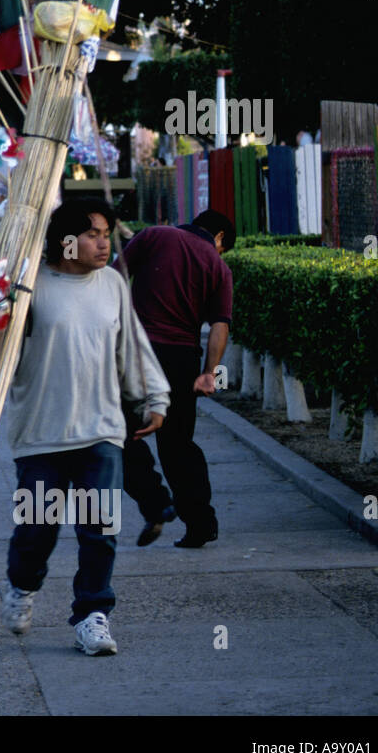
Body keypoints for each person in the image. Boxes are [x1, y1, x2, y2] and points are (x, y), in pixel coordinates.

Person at [0, 198, 169, 656]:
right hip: (40, 435)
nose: (103, 242)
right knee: (38, 528)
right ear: (65, 240)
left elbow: (130, 345)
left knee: (99, 528)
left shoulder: (112, 283)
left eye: (107, 234)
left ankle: (93, 615)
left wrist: (153, 397)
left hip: (101, 432)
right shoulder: (28, 288)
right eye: (93, 233)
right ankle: (22, 585)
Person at [118, 209, 235, 548]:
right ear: (220, 238)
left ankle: (156, 501)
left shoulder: (155, 235)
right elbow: (219, 327)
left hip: (137, 353)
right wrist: (208, 374)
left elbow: (113, 280)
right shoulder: (219, 266)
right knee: (178, 444)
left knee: (123, 435)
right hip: (182, 361)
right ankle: (200, 524)